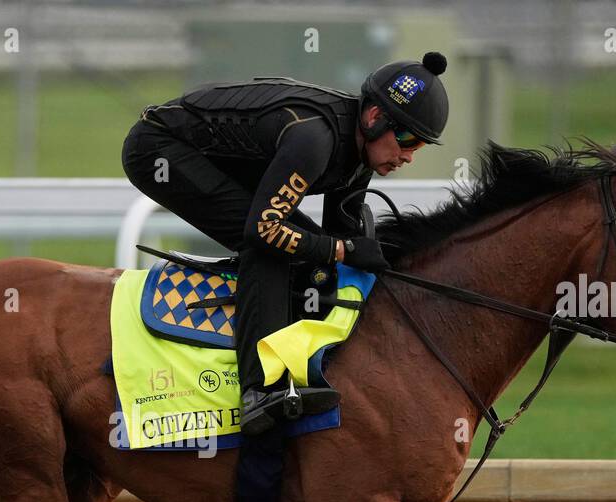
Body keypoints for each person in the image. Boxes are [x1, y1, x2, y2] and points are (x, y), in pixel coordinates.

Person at [122, 51, 450, 435]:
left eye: (421, 145)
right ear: (374, 117)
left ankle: (306, 360)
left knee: (312, 247)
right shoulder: (316, 138)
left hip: (213, 157)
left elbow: (339, 238)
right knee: (272, 247)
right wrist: (342, 250)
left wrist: (366, 258)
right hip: (158, 150)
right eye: (408, 138)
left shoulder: (363, 152)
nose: (409, 155)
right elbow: (265, 231)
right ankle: (259, 390)